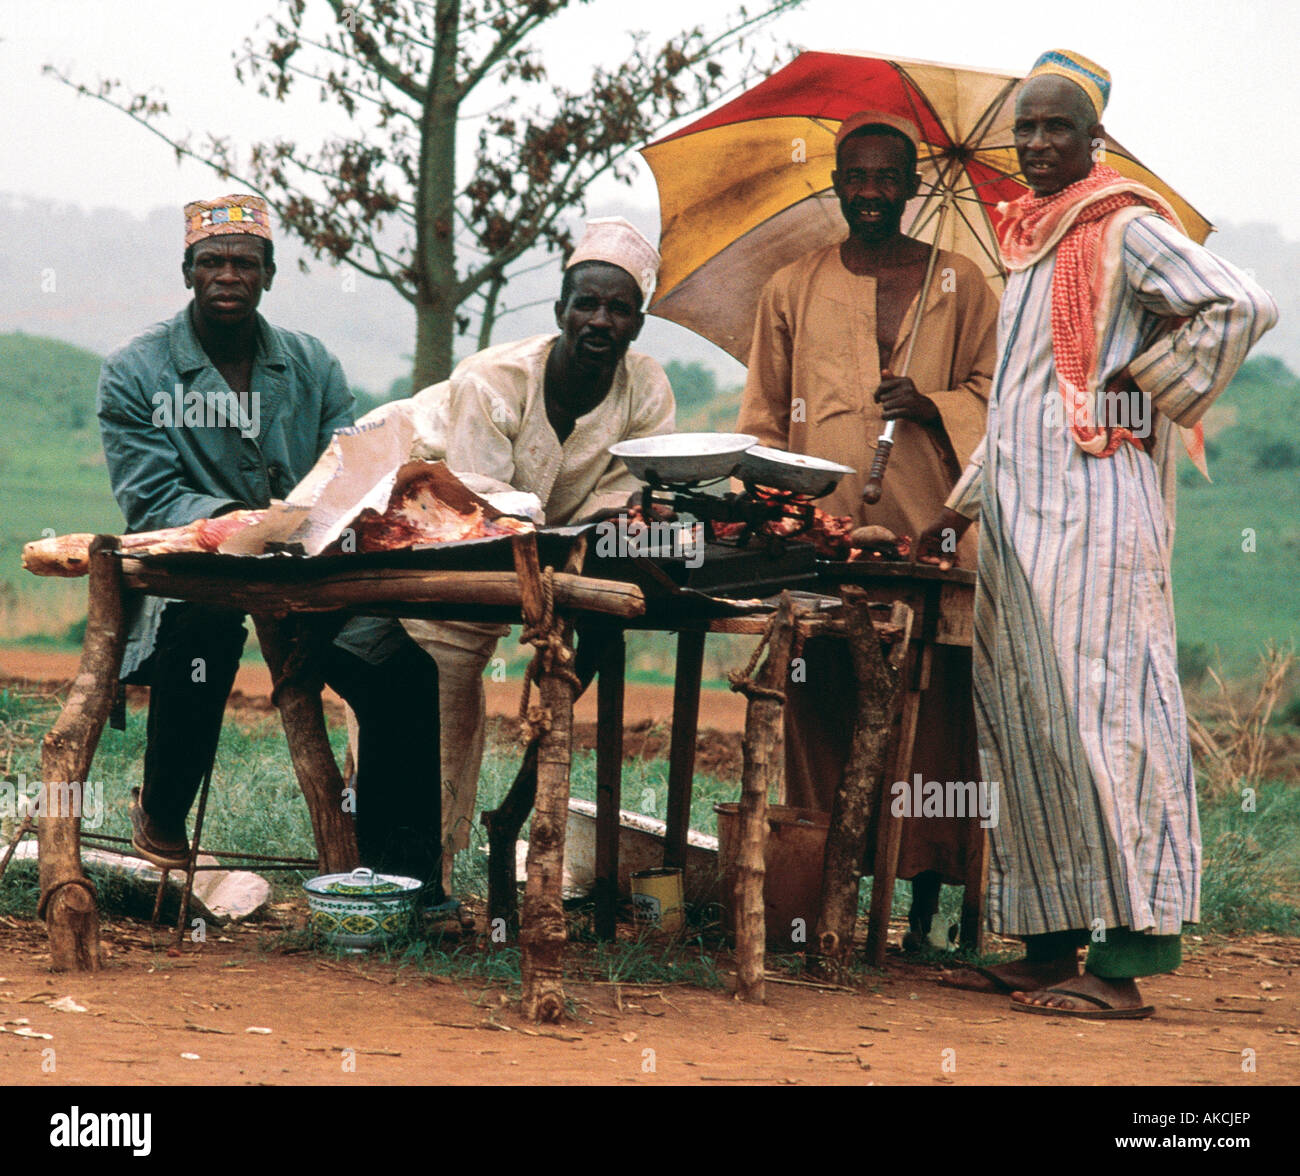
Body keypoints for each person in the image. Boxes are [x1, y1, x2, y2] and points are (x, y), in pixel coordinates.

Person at [916, 51, 1277, 1015]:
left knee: (1104, 720)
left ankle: (1129, 964)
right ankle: (1048, 941)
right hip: (1022, 528)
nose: (1036, 144)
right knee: (1028, 727)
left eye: (1056, 128)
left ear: (1095, 140)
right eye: (1025, 128)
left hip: (1100, 524)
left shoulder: (1127, 223)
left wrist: (1146, 383)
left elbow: (1241, 304)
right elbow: (1027, 400)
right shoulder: (1029, 240)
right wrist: (952, 514)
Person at [98, 194, 446, 899]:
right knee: (202, 636)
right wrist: (241, 525)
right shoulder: (135, 372)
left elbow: (351, 474)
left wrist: (325, 524)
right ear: (188, 272)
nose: (228, 275)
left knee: (404, 668)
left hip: (313, 580)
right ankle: (160, 814)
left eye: (244, 263)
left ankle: (401, 879)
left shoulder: (312, 365)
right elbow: (151, 498)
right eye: (212, 262)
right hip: (196, 578)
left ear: (270, 275)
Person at [737, 111, 1000, 948]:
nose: (873, 192)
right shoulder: (793, 286)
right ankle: (824, 903)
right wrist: (782, 525)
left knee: (937, 723)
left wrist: (937, 406)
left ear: (916, 186)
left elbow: (1007, 405)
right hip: (828, 549)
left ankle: (925, 900)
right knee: (823, 706)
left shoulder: (963, 284)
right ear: (837, 184)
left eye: (890, 177)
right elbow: (766, 424)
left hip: (938, 541)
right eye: (858, 177)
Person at [358, 217, 676, 893]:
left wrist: (639, 516)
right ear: (561, 311)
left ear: (638, 324)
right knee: (430, 692)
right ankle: (404, 884)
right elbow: (476, 514)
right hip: (424, 521)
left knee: (459, 706)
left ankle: (428, 878)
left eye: (619, 309)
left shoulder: (646, 390)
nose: (599, 320)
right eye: (585, 303)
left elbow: (626, 498)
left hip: (528, 551)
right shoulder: (492, 380)